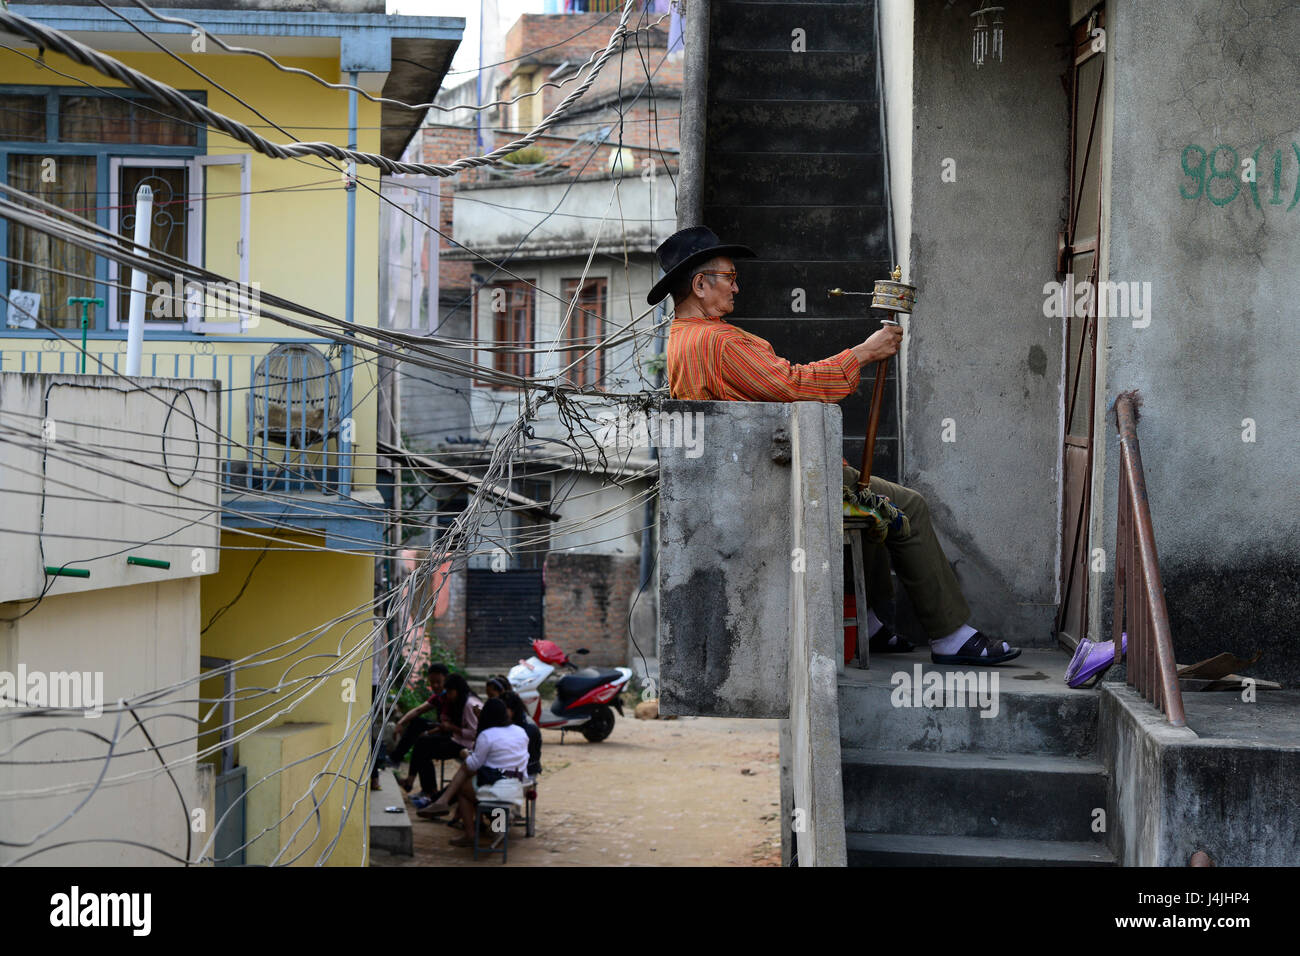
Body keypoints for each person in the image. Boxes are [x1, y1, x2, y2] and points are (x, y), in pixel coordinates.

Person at [651, 225, 1019, 666]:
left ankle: (871, 623)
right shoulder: (717, 341)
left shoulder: (679, 339)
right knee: (909, 506)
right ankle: (951, 637)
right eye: (728, 276)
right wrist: (863, 352)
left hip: (747, 475)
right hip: (778, 476)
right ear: (699, 284)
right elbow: (794, 384)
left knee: (869, 495)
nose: (736, 285)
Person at [444, 697, 529, 848]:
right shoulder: (520, 731)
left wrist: (465, 754)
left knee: (464, 790)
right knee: (480, 782)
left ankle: (470, 834)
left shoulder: (487, 735)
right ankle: (496, 827)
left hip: (498, 785)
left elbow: (473, 764)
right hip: (519, 783)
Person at [502, 690, 542, 778]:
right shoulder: (502, 724)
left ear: (513, 710)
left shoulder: (529, 728)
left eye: (503, 710)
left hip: (528, 771)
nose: (500, 713)